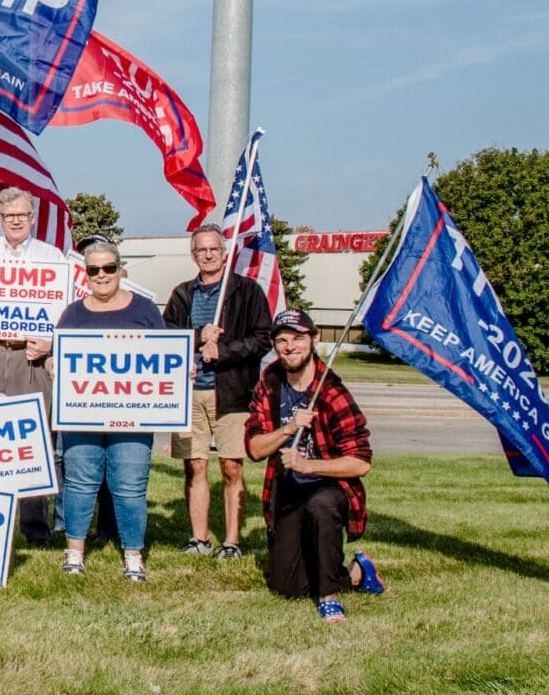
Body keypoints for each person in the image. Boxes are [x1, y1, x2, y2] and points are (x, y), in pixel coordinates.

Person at [245, 309, 382, 623]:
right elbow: (254, 448)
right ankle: (358, 572)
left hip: (328, 487)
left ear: (314, 339)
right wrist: (289, 428)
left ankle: (329, 598)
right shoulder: (269, 384)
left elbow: (360, 463)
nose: (290, 346)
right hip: (287, 489)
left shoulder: (331, 392)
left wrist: (309, 466)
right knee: (286, 588)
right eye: (282, 340)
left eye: (298, 338)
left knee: (321, 505)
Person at [35, 241, 161, 581]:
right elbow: (56, 354)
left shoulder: (145, 310)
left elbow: (165, 355)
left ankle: (133, 555)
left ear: (120, 270)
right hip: (82, 415)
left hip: (133, 417)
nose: (101, 275)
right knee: (79, 483)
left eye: (108, 268)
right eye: (94, 270)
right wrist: (51, 363)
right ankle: (74, 552)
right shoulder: (73, 313)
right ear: (86, 274)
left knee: (130, 485)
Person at [163, 226, 274, 559]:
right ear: (193, 255)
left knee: (231, 467)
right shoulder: (182, 294)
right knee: (194, 466)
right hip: (189, 394)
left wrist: (222, 352)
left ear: (225, 253)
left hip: (231, 393)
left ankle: (231, 542)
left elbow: (262, 338)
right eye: (201, 250)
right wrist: (198, 337)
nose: (208, 255)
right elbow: (166, 336)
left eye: (214, 249)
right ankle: (199, 539)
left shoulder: (246, 291)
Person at [0, 186, 65, 545]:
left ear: (32, 217)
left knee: (33, 442)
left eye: (21, 215)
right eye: (8, 215)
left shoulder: (51, 257)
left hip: (32, 358)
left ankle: (34, 527)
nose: (15, 221)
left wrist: (51, 343)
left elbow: (64, 313)